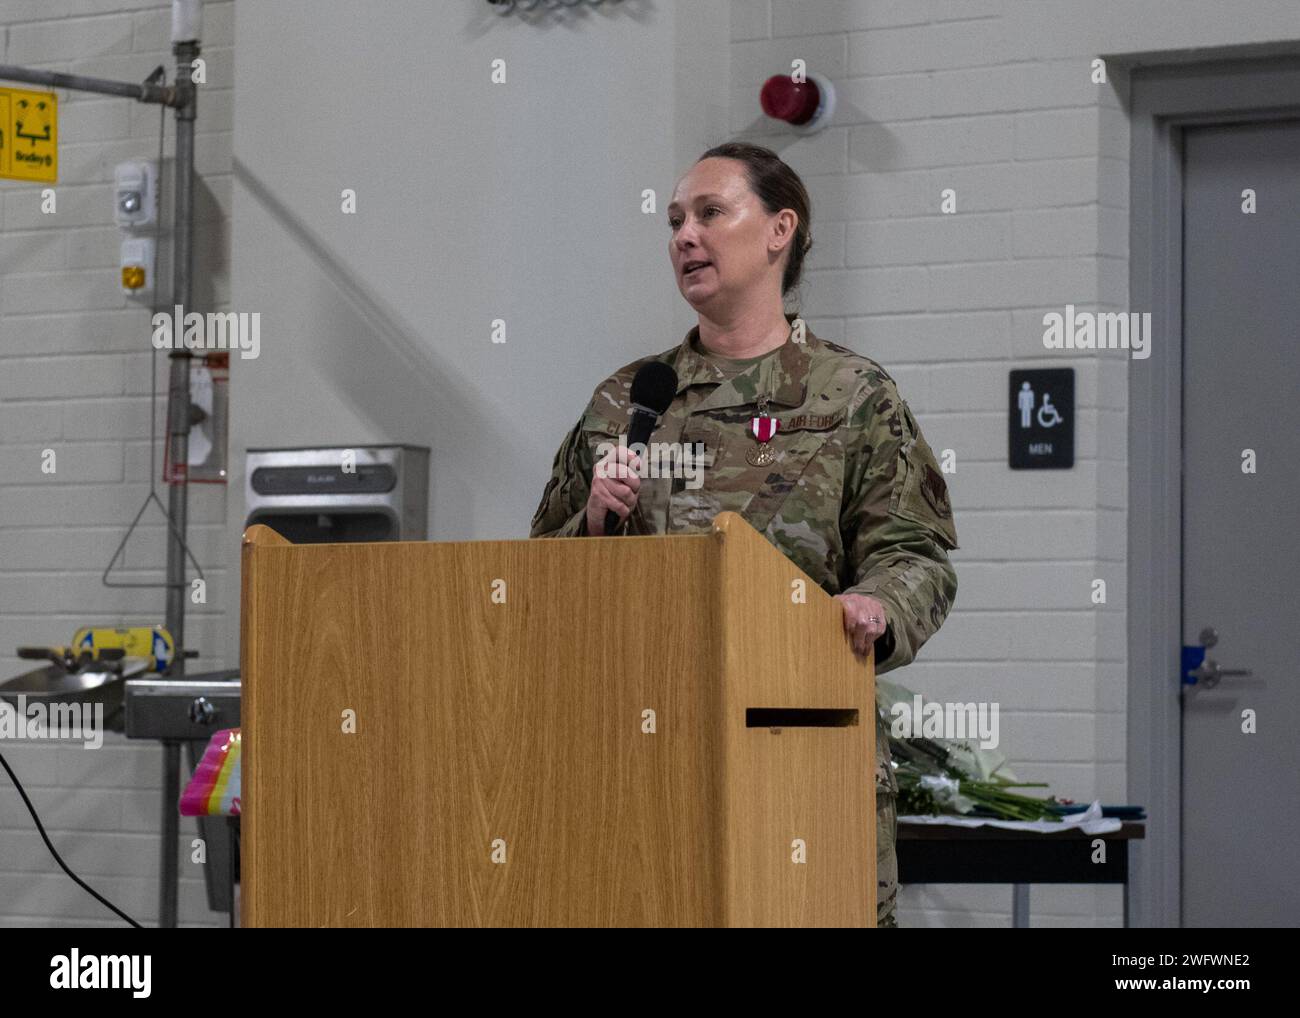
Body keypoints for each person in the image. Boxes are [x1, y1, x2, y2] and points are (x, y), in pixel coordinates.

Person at [529, 141, 958, 927]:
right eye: (674, 221)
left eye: (710, 213)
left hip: (802, 747)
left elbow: (915, 551)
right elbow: (537, 581)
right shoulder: (628, 399)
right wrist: (592, 523)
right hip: (641, 755)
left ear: (778, 231)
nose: (684, 236)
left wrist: (878, 605)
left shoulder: (852, 395)